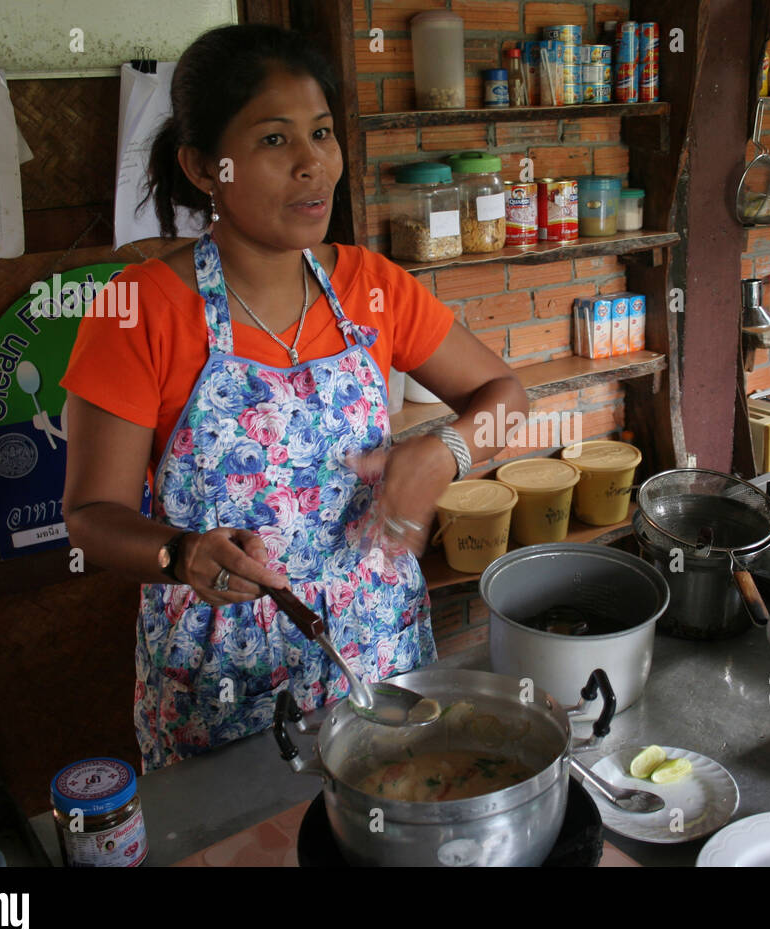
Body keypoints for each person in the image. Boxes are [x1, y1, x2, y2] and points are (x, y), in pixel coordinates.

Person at [61, 24, 529, 770]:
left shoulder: (370, 285)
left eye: (321, 133)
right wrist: (180, 552)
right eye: (275, 141)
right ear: (202, 166)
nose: (313, 163)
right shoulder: (139, 309)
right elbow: (88, 516)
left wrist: (446, 451)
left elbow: (506, 395)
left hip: (373, 648)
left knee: (392, 817)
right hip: (219, 672)